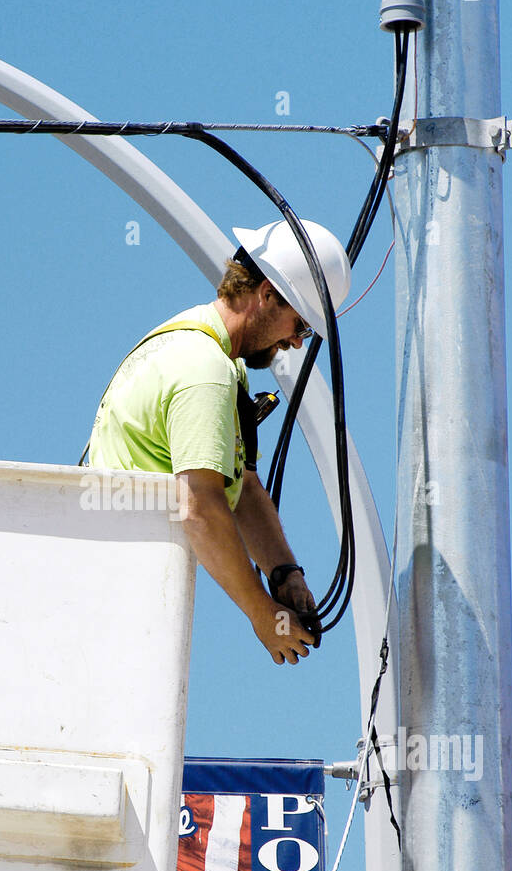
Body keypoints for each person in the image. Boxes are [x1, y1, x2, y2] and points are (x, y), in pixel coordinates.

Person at [87, 218, 352, 666]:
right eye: (299, 324)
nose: (294, 341)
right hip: (117, 599)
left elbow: (243, 487)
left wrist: (283, 573)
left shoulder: (210, 353)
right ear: (266, 294)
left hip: (123, 585)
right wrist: (262, 614)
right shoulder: (203, 370)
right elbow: (200, 505)